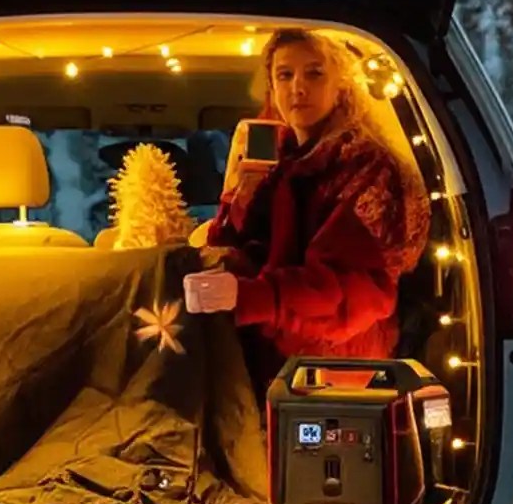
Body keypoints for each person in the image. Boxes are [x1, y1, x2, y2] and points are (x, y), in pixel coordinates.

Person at [182, 29, 431, 401]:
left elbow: (349, 290)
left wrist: (248, 297)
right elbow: (232, 251)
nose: (298, 88)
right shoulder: (280, 163)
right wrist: (238, 200)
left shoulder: (367, 169)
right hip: (275, 362)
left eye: (314, 74)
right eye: (285, 75)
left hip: (336, 372)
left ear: (341, 84)